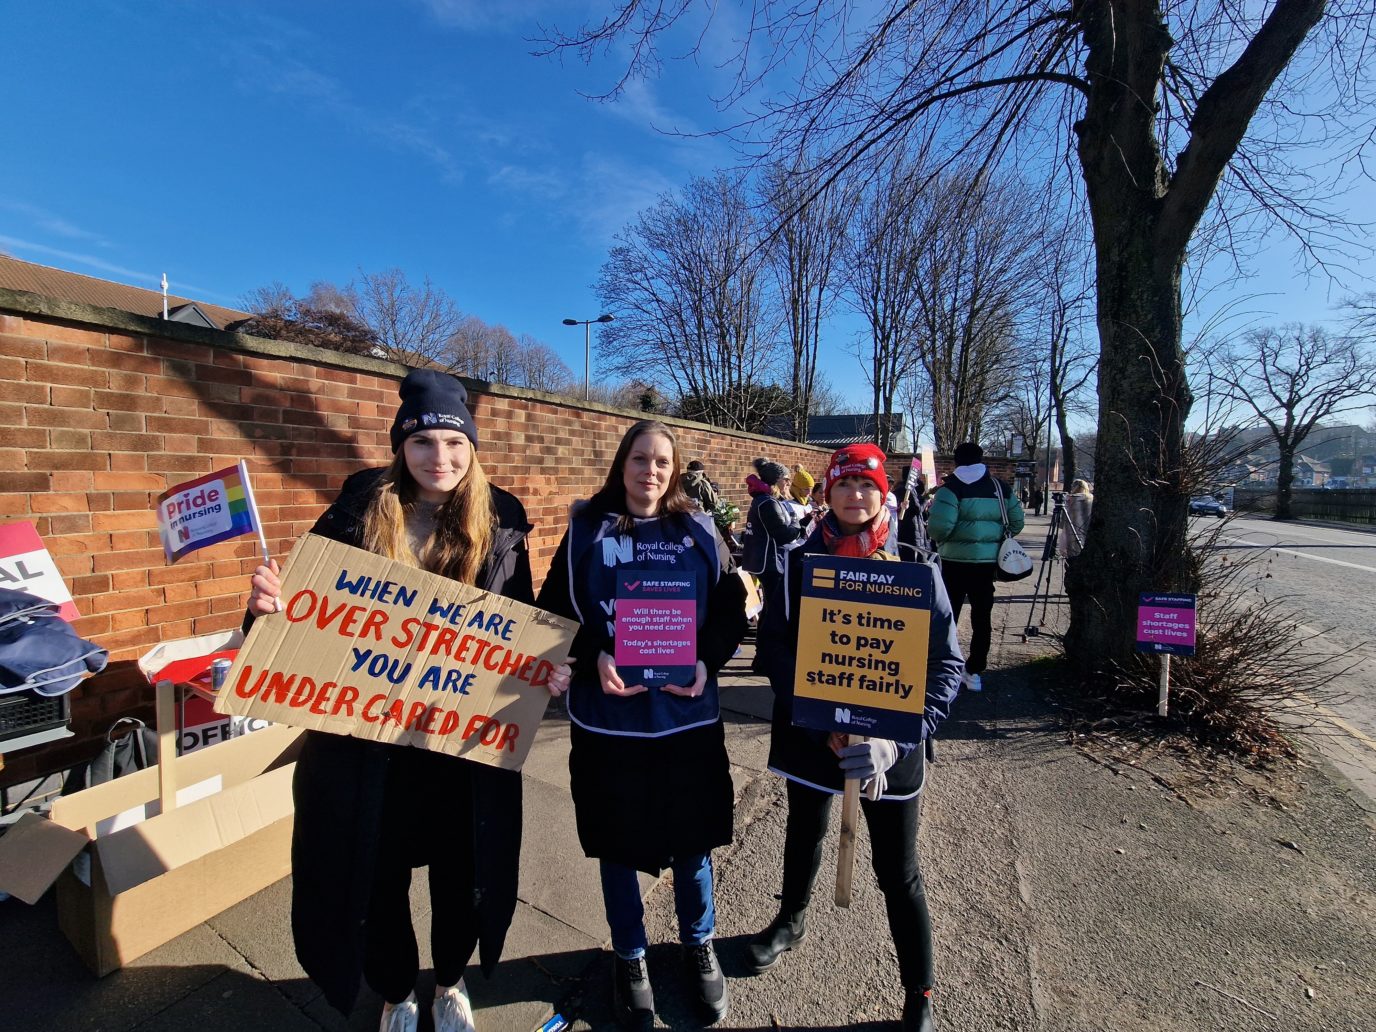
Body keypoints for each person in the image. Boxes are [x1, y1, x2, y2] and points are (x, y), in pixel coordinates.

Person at [244, 369, 570, 1032]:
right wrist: (266, 612)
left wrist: (542, 671)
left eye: (454, 442)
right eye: (424, 443)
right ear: (401, 446)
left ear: (472, 447)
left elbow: (520, 619)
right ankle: (396, 989)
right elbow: (304, 620)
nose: (440, 458)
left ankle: (449, 982)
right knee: (376, 882)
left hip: (461, 746)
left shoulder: (501, 518)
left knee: (462, 877)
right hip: (370, 749)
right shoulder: (356, 510)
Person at [536, 420, 748, 1030]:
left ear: (675, 468)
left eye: (661, 461)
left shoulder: (702, 529)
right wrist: (593, 654)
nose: (650, 471)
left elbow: (734, 607)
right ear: (621, 463)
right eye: (639, 458)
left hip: (684, 720)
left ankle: (697, 942)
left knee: (692, 839)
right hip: (609, 724)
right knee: (616, 843)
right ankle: (630, 956)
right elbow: (553, 612)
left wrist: (707, 663)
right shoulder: (585, 528)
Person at [747, 443, 963, 1032]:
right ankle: (789, 921)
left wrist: (900, 735)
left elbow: (945, 663)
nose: (855, 496)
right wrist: (821, 718)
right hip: (814, 737)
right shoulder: (797, 560)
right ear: (827, 491)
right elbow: (774, 649)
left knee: (899, 870)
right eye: (844, 484)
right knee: (804, 831)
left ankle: (918, 989)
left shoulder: (916, 562)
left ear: (883, 493)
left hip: (892, 748)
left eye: (867, 485)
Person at [927, 442, 1023, 693]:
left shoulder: (950, 490)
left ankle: (944, 668)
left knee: (948, 617)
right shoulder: (1000, 488)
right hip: (986, 564)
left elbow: (938, 529)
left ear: (956, 461)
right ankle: (974, 671)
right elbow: (1017, 521)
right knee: (983, 617)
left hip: (953, 563)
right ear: (981, 460)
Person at [741, 458, 805, 604]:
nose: (789, 483)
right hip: (769, 562)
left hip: (764, 561)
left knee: (770, 605)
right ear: (776, 480)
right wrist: (796, 522)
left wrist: (804, 522)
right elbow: (783, 536)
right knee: (774, 606)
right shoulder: (768, 502)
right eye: (786, 479)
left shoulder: (764, 499)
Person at [1059, 479, 1093, 559]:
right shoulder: (1091, 499)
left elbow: (1062, 523)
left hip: (1071, 534)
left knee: (1072, 556)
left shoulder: (1069, 499)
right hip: (1087, 533)